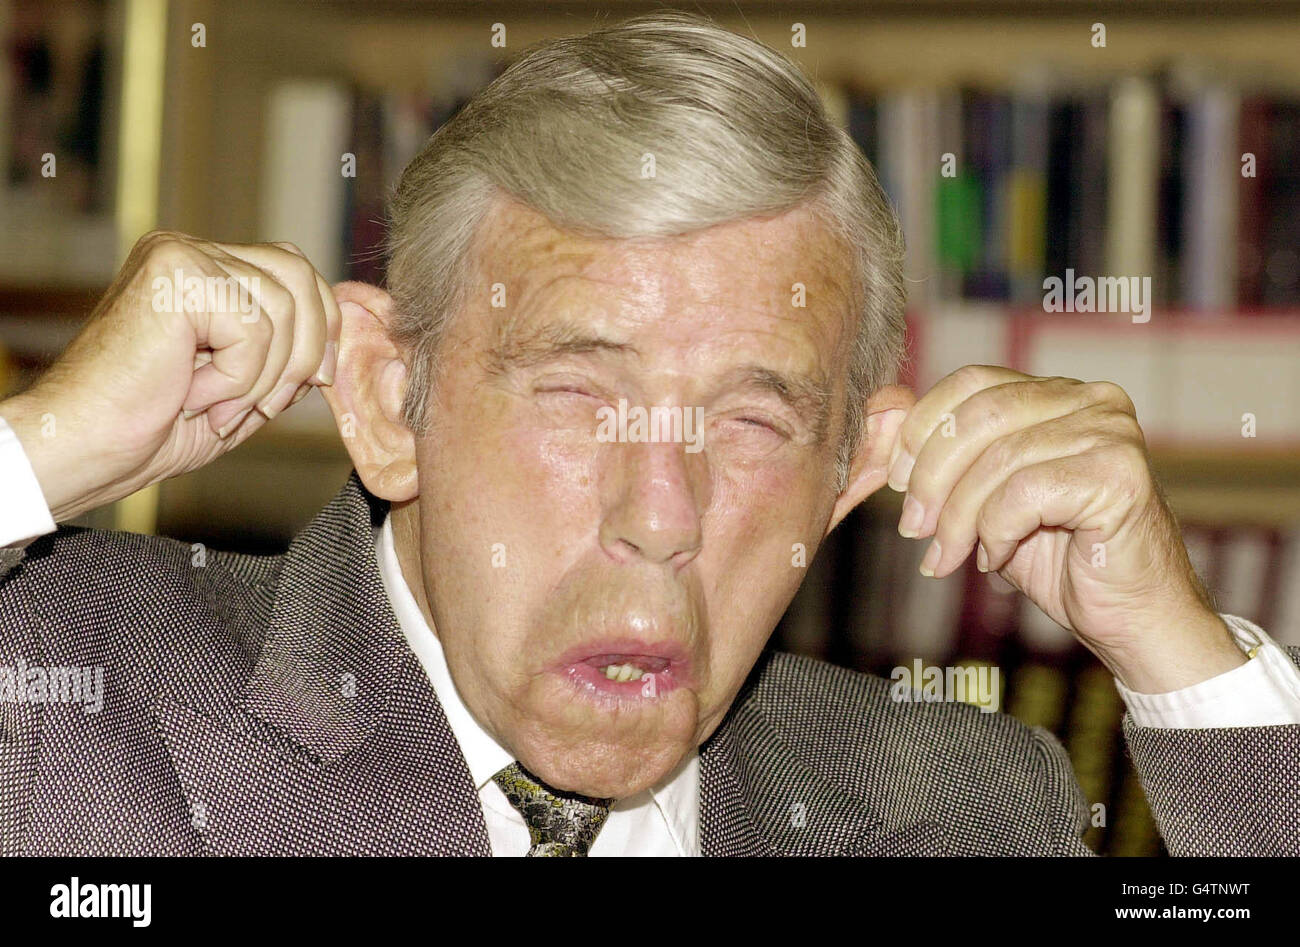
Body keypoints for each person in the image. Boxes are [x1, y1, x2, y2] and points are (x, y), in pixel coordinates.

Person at [1, 12, 1296, 857]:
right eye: (576, 393)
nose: (662, 512)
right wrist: (44, 448)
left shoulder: (970, 807)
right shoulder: (66, 691)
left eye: (750, 418)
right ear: (390, 407)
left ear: (850, 472)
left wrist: (1181, 662)